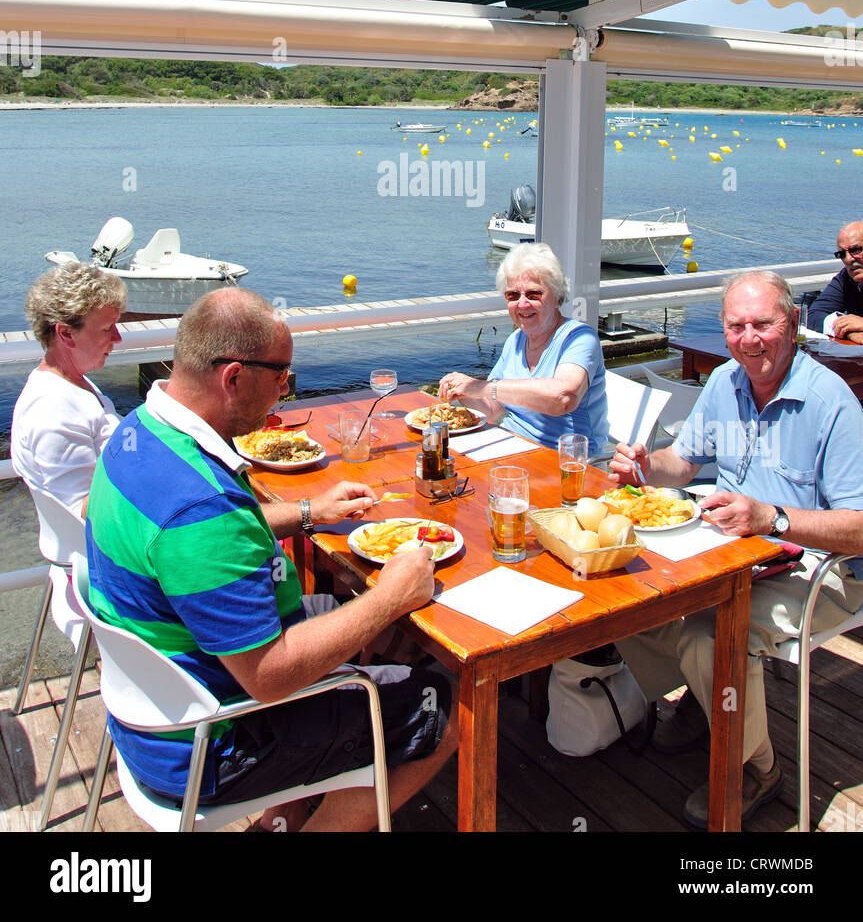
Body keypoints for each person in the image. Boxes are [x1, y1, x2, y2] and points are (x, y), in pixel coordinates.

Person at [85, 287, 456, 832]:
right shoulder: (199, 507)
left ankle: (286, 814)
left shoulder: (138, 433)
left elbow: (209, 543)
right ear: (233, 377)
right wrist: (390, 596)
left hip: (160, 710)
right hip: (215, 743)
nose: (286, 389)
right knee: (443, 707)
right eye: (281, 374)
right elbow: (271, 675)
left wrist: (308, 511)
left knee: (350, 610)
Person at [611, 269, 863, 829]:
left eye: (764, 324)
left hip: (823, 570)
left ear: (793, 325)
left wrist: (772, 517)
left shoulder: (832, 404)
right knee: (623, 597)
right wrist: (649, 467)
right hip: (733, 554)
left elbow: (861, 528)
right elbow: (686, 461)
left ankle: (758, 768)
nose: (750, 339)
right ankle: (712, 707)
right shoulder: (726, 381)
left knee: (711, 633)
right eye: (737, 326)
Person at [438, 242, 608, 454]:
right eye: (513, 295)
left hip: (566, 461)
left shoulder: (578, 338)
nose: (522, 304)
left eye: (534, 294)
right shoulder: (516, 340)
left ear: (556, 297)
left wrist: (480, 387)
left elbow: (563, 398)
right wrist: (462, 391)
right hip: (512, 447)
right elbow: (493, 409)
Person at [11, 263, 126, 516]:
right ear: (66, 334)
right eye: (107, 328)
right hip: (99, 551)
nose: (117, 338)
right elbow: (86, 507)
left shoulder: (75, 384)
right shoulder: (52, 410)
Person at [808, 219, 863, 340]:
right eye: (842, 254)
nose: (848, 259)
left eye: (855, 250)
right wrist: (848, 331)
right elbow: (813, 316)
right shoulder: (846, 278)